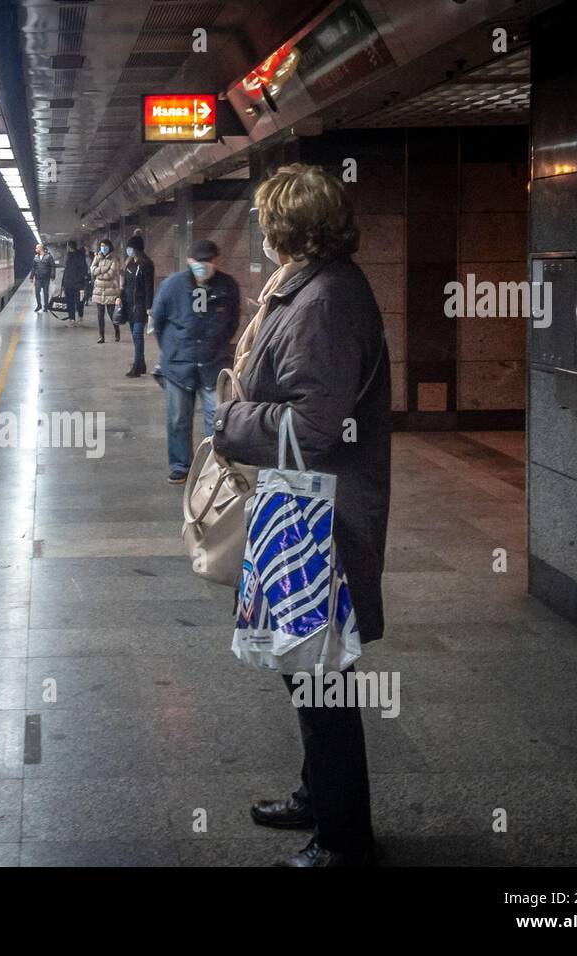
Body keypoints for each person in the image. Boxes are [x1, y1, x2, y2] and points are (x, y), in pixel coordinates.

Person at [211, 163, 390, 868]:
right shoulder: (313, 288)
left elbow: (316, 428)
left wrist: (230, 424)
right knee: (306, 667)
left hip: (324, 516)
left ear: (285, 226)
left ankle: (344, 840)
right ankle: (319, 798)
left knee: (322, 678)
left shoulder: (323, 301)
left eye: (265, 219)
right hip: (301, 506)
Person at [150, 238, 240, 484]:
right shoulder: (172, 286)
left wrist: (218, 346)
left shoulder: (227, 286)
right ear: (189, 262)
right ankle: (181, 466)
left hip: (213, 364)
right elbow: (157, 321)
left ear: (216, 261)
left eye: (209, 261)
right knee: (178, 418)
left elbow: (232, 322)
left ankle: (215, 467)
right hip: (179, 365)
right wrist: (171, 350)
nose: (204, 266)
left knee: (216, 419)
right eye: (199, 262)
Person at [119, 232, 154, 377]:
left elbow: (148, 286)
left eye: (130, 247)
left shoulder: (145, 264)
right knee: (135, 336)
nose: (128, 250)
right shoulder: (129, 264)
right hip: (129, 304)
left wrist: (149, 306)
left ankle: (137, 366)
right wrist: (119, 297)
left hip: (140, 305)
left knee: (137, 334)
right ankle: (142, 363)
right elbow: (124, 284)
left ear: (137, 248)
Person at [89, 238, 122, 344]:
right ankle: (101, 336)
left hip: (110, 290)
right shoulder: (98, 257)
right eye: (101, 246)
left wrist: (99, 273)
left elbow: (110, 275)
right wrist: (103, 269)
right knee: (100, 316)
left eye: (105, 246)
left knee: (112, 314)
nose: (103, 248)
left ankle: (117, 332)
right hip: (99, 290)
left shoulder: (114, 259)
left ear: (109, 246)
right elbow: (92, 269)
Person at [60, 240, 89, 325]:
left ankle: (80, 315)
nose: (66, 248)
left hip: (78, 285)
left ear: (70, 246)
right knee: (70, 302)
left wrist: (79, 281)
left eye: (67, 246)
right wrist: (63, 284)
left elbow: (84, 271)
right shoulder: (69, 256)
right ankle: (72, 319)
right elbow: (66, 271)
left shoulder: (80, 256)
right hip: (68, 284)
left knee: (79, 301)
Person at [31, 243, 56, 312]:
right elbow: (33, 268)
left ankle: (46, 306)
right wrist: (31, 277)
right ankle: (39, 305)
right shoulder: (35, 257)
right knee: (37, 292)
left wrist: (53, 275)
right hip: (38, 278)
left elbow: (53, 266)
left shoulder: (48, 256)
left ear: (40, 248)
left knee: (46, 292)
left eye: (37, 248)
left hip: (46, 278)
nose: (35, 249)